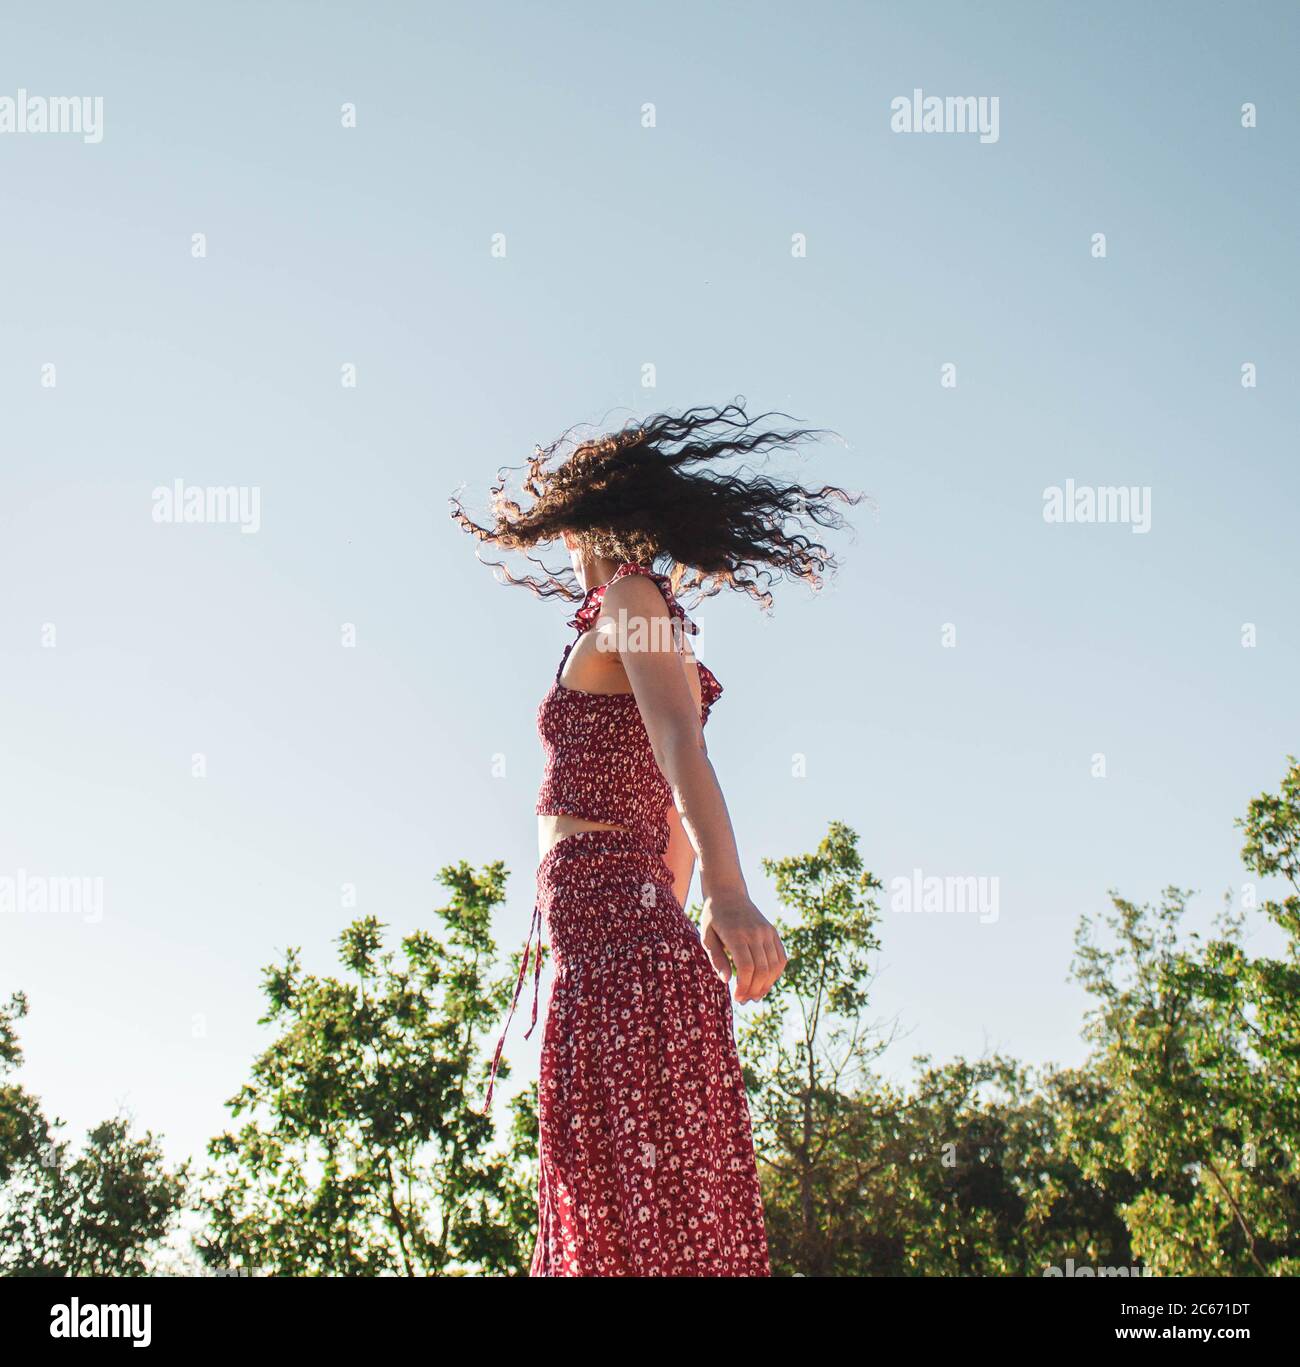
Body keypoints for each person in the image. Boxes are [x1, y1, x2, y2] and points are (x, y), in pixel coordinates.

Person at [452, 400, 856, 1276]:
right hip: (619, 960)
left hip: (623, 955)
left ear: (585, 522)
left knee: (633, 1229)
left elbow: (682, 745)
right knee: (632, 1226)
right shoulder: (635, 616)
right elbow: (666, 799)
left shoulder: (631, 597)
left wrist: (728, 891)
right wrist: (684, 930)